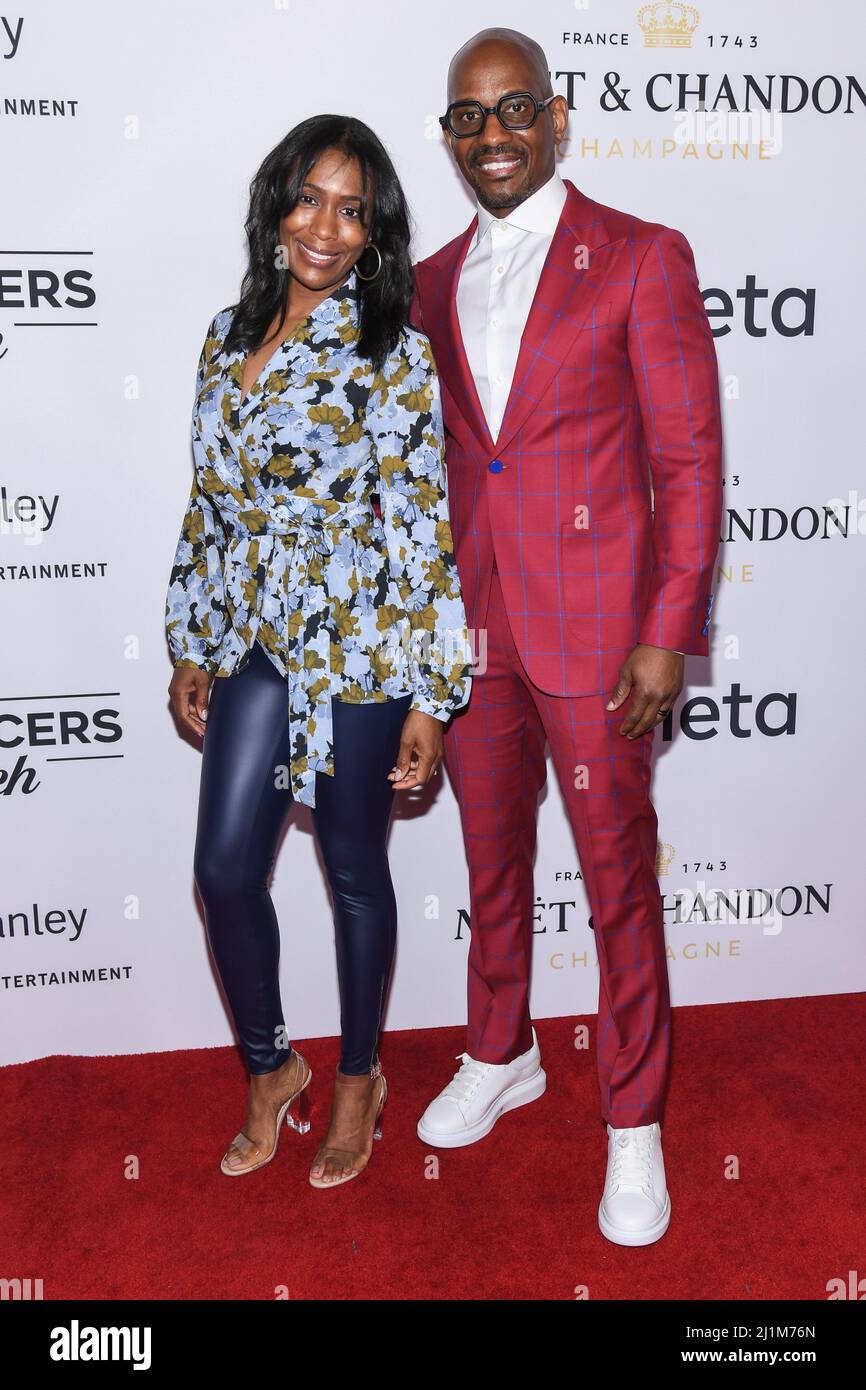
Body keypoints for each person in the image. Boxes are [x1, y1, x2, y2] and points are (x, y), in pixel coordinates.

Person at [410, 29, 723, 1245]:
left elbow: (686, 459)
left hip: (600, 630)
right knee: (488, 866)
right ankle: (502, 1049)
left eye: (514, 111)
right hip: (474, 626)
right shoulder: (433, 279)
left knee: (613, 886)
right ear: (450, 139)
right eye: (467, 120)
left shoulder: (639, 257)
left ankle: (632, 1121)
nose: (493, 137)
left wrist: (667, 628)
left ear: (555, 116)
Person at [165, 115, 472, 1189]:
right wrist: (195, 638)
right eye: (308, 198)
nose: (325, 228)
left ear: (375, 232)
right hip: (253, 633)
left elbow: (422, 526)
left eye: (352, 209)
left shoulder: (392, 354)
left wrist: (432, 694)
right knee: (222, 870)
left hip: (361, 642)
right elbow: (209, 504)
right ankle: (270, 1066)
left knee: (350, 870)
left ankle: (358, 1079)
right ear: (275, 204)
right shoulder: (221, 334)